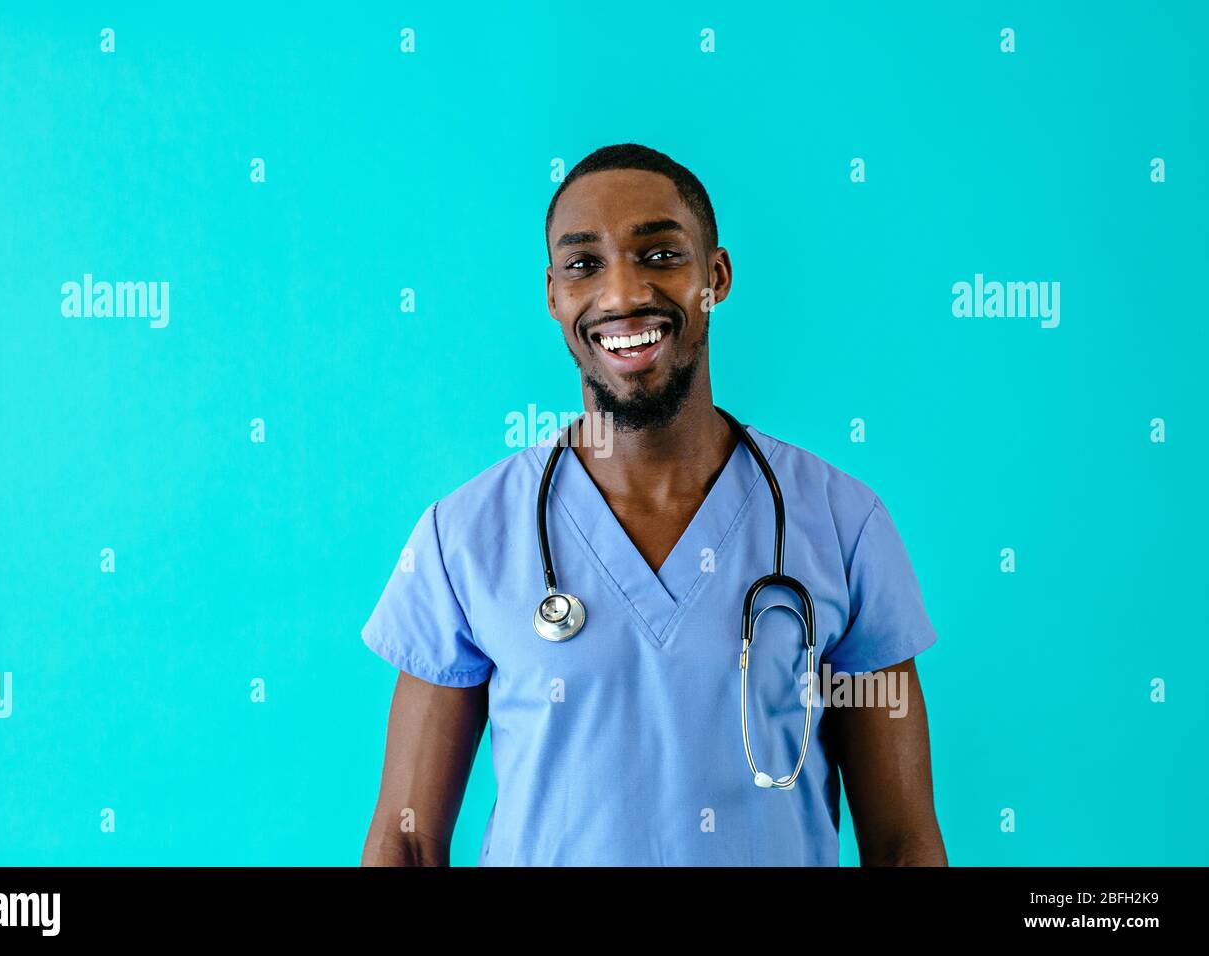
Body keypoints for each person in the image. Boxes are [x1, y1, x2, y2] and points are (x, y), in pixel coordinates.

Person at [360, 143, 946, 866]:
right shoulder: (465, 536)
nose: (622, 293)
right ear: (554, 295)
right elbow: (408, 841)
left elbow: (903, 843)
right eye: (583, 265)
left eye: (661, 255)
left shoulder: (843, 525)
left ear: (716, 276)